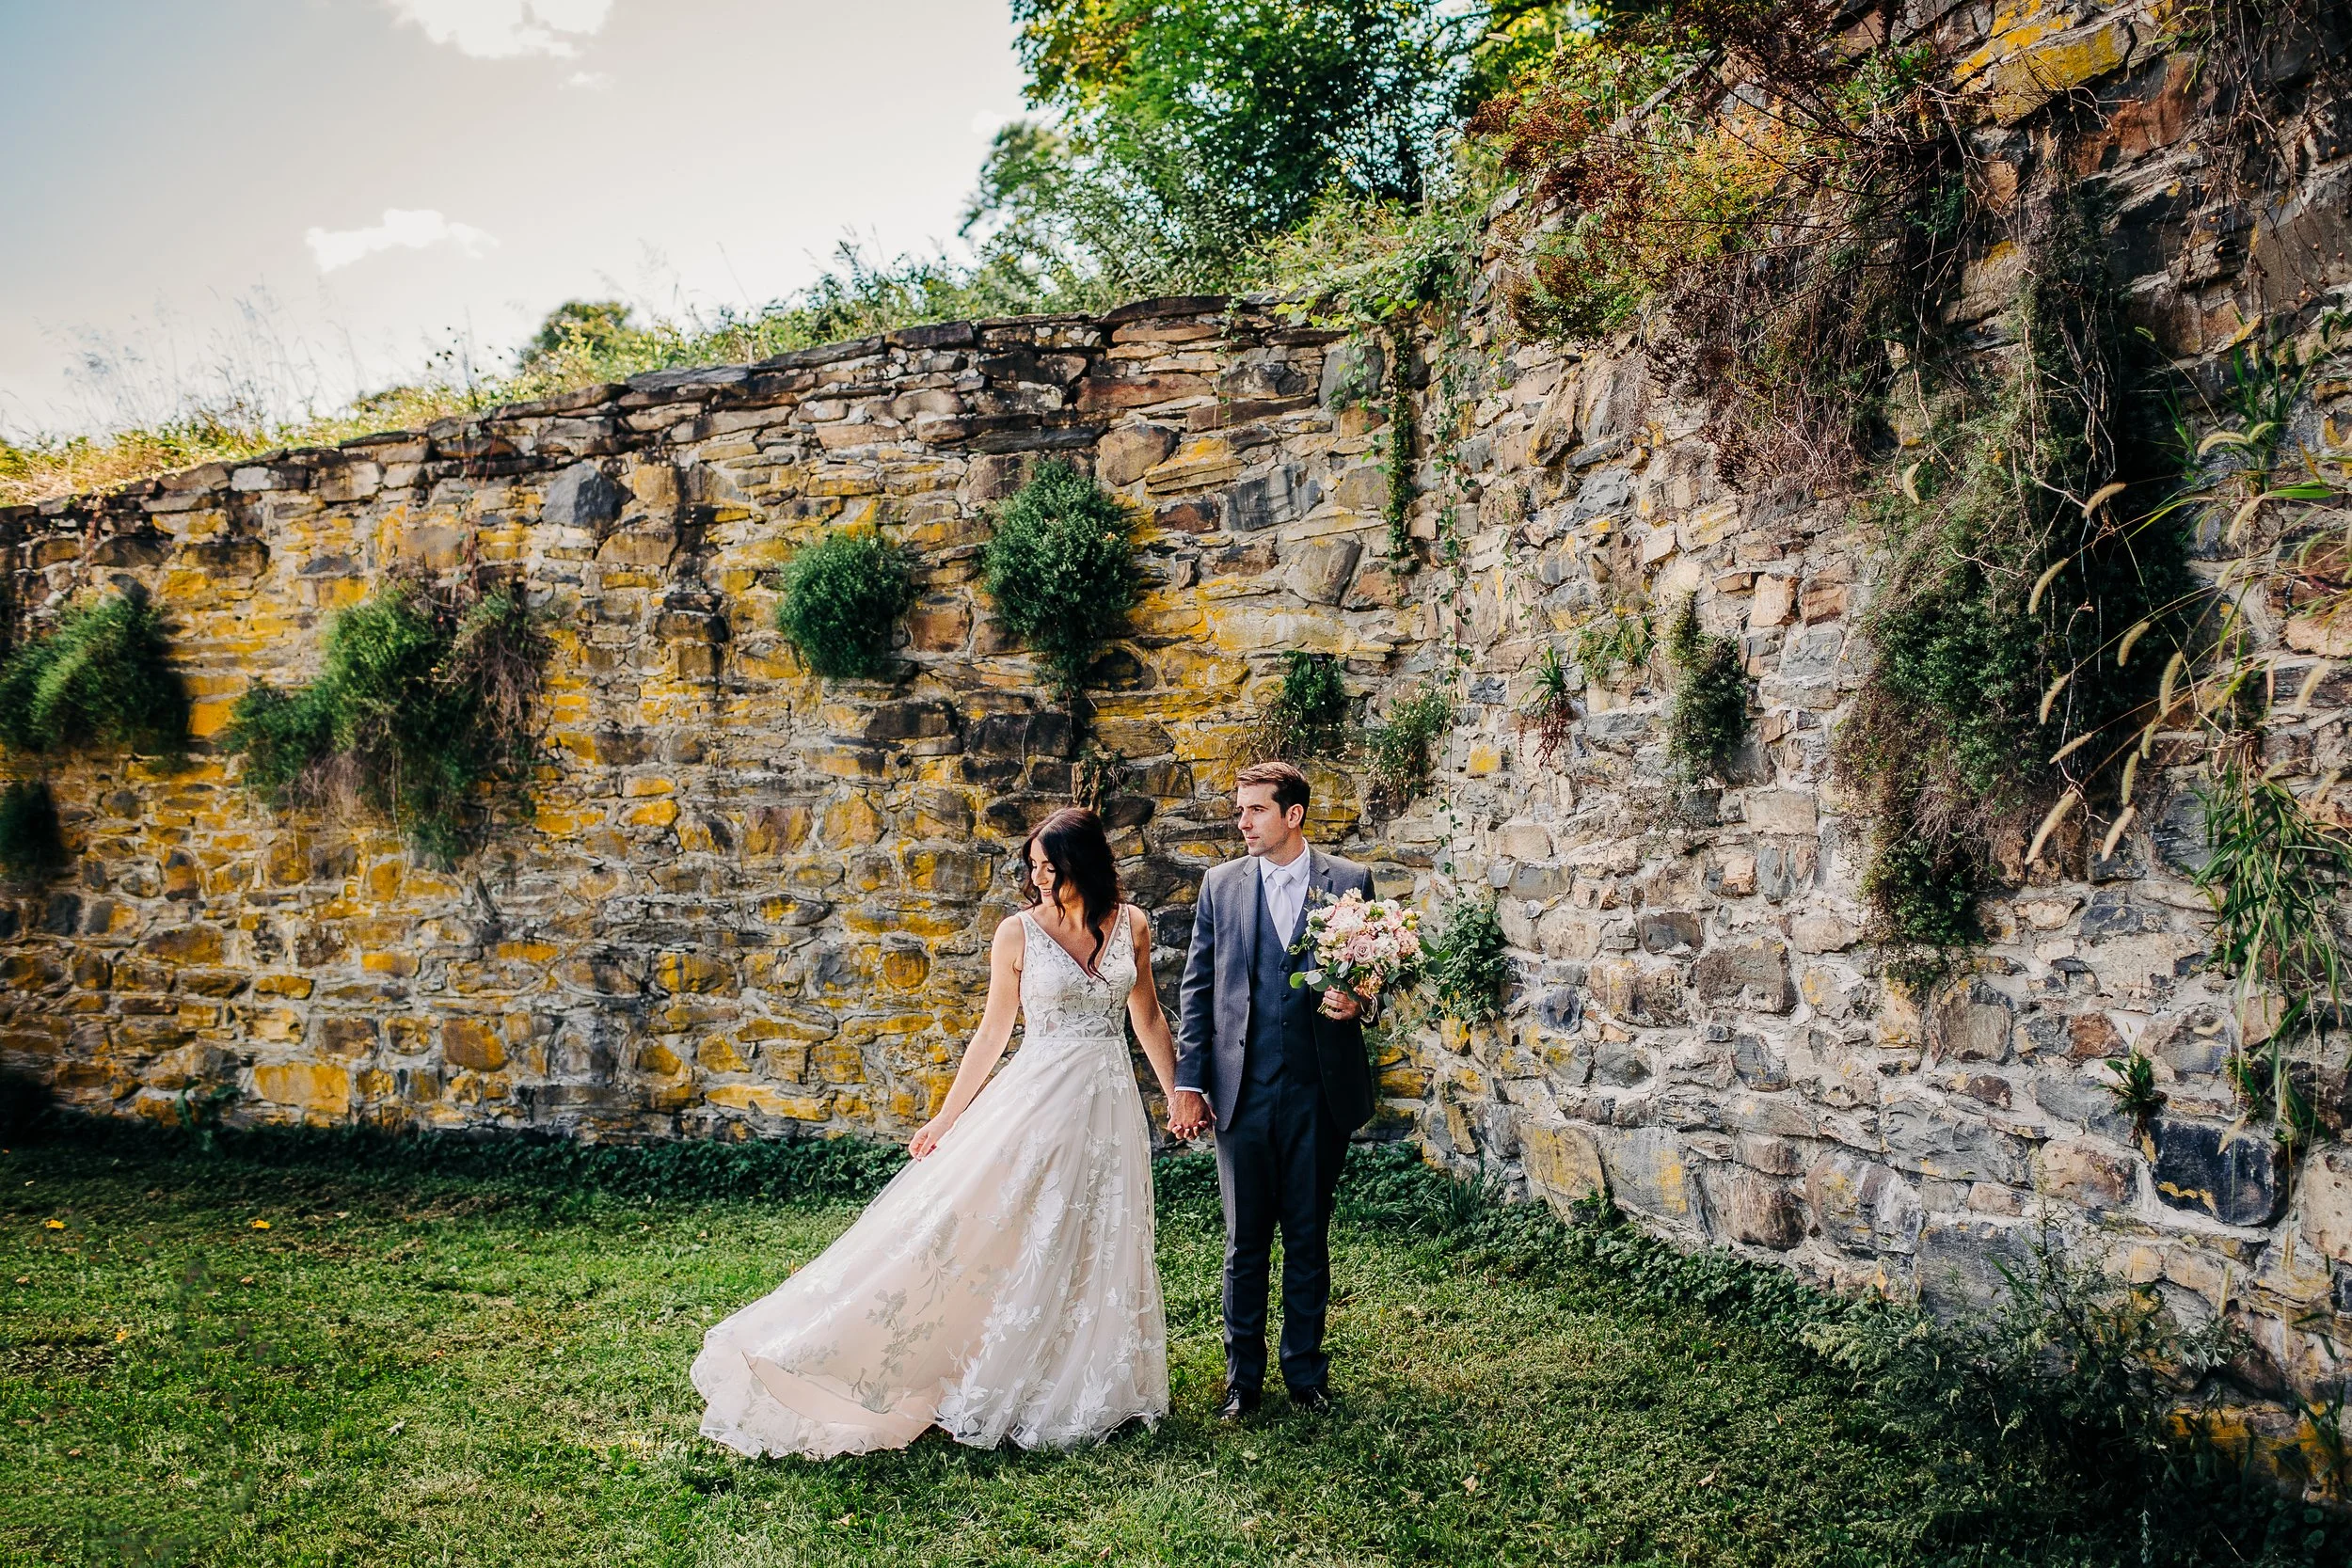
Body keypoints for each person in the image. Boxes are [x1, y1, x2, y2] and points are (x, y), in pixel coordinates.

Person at [691, 806, 1183, 1458]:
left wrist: (1179, 1094)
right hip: (1036, 1101)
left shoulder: (1134, 926)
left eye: (1050, 867)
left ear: (1083, 866)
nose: (1037, 878)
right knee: (1004, 1227)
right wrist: (947, 1118)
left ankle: (1081, 1376)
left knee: (1098, 1229)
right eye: (1032, 866)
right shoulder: (1017, 934)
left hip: (1109, 1101)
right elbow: (992, 1032)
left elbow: (1146, 1014)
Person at [1169, 760, 1378, 1419]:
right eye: (1241, 809)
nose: (1243, 821)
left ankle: (1305, 1371)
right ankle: (1243, 1378)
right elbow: (1198, 989)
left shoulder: (1349, 881)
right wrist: (1189, 1082)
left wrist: (1363, 1003)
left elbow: (1372, 977)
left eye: (1256, 809)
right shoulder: (1219, 886)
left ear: (1293, 815)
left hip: (1319, 1089)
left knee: (1309, 1234)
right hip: (1242, 1090)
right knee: (1244, 1239)